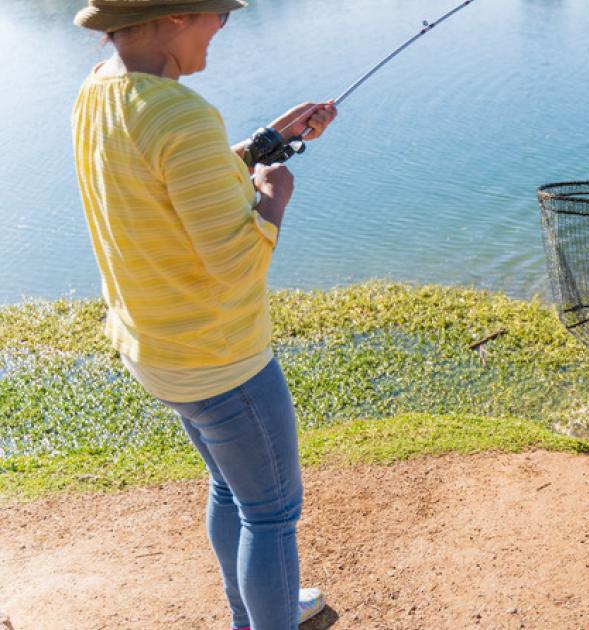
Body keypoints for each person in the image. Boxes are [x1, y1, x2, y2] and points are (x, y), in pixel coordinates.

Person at [71, 1, 337, 627]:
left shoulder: (99, 89)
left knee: (232, 489)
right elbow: (238, 263)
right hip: (220, 358)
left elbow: (171, 179)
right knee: (271, 514)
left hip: (157, 350)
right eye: (220, 12)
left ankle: (255, 614)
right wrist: (274, 195)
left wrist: (262, 145)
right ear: (176, 16)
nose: (222, 25)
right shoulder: (182, 114)